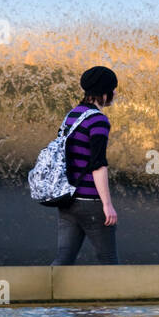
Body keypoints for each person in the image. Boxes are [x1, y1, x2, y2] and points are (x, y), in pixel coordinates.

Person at [52, 66, 120, 265]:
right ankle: (118, 296)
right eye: (113, 89)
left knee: (63, 259)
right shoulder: (98, 120)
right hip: (90, 201)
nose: (115, 93)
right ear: (104, 92)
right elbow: (98, 165)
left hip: (67, 200)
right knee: (109, 259)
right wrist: (107, 205)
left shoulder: (71, 116)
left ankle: (44, 292)